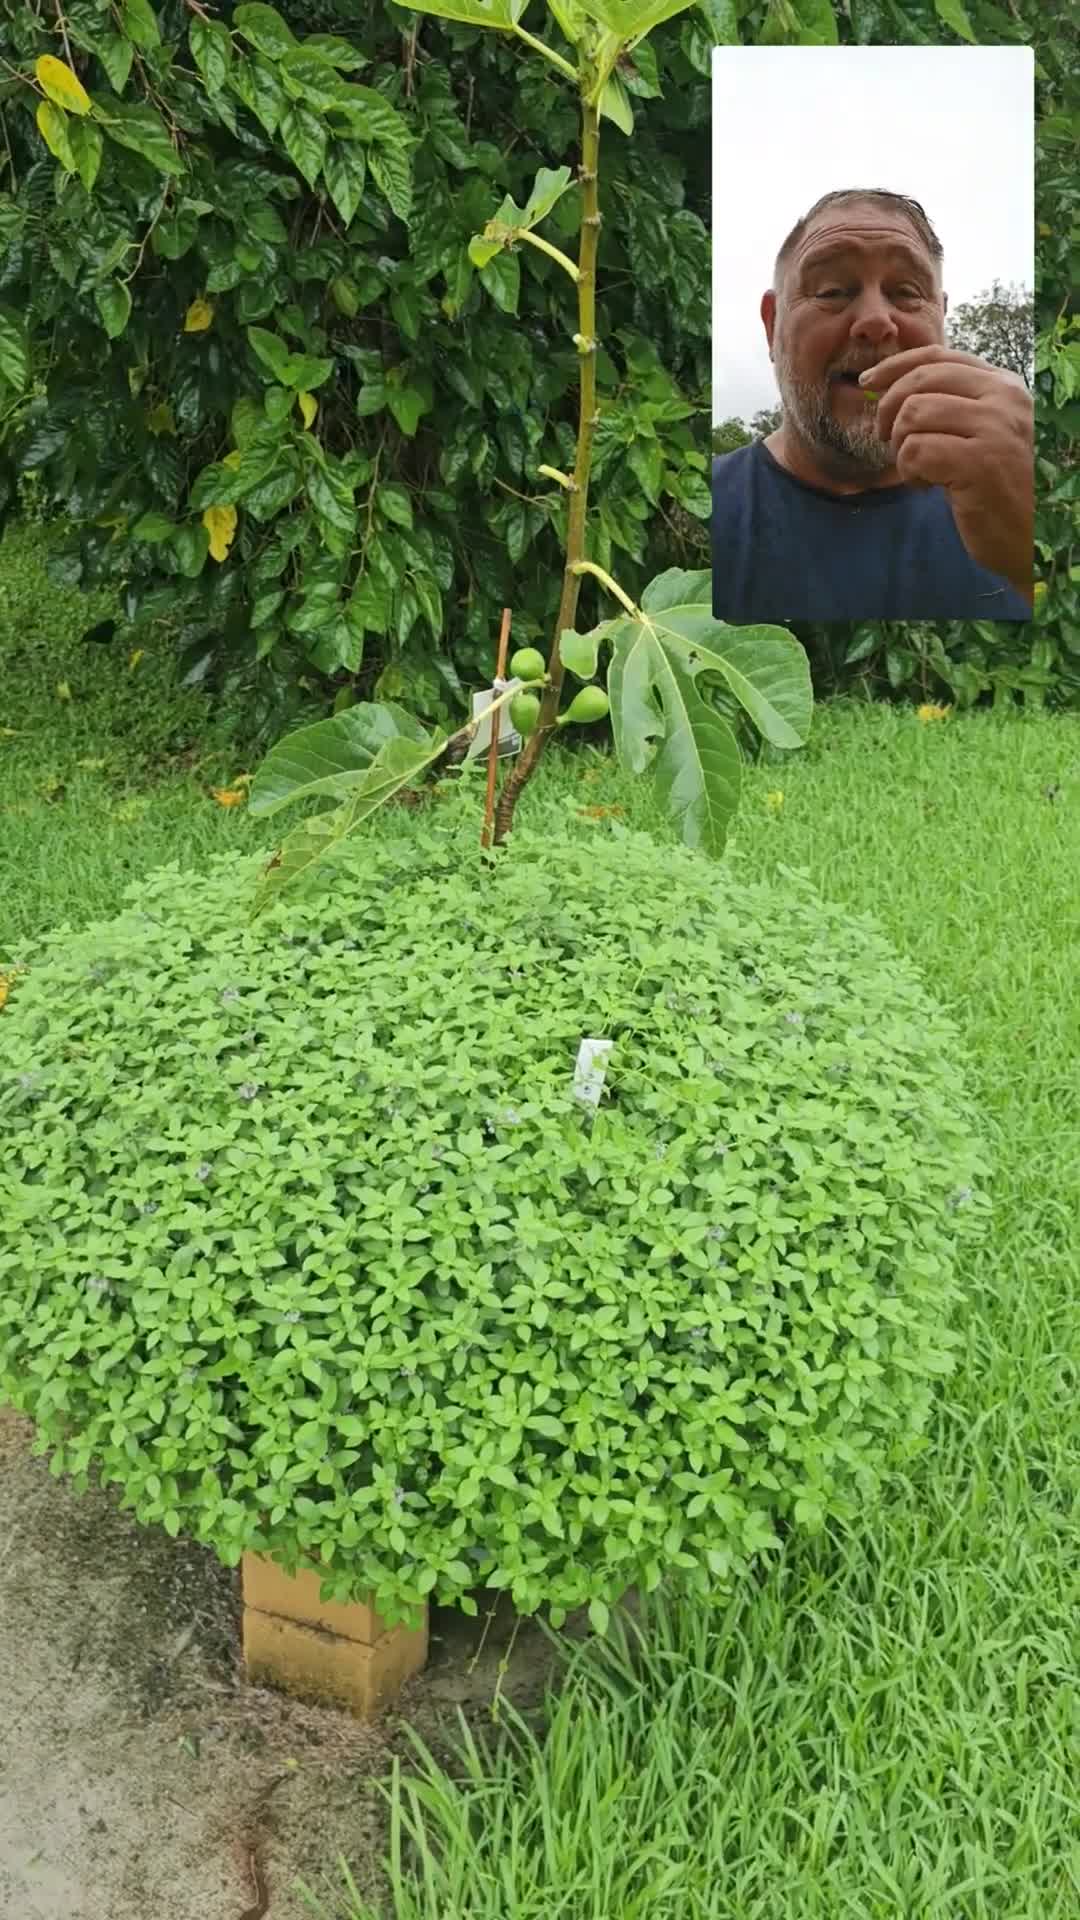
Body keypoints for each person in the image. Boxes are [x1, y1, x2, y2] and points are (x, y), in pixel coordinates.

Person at [711, 190, 1034, 624]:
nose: (877, 321)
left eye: (906, 292)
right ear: (773, 326)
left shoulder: (1025, 495)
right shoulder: (706, 509)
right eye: (832, 291)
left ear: (941, 318)